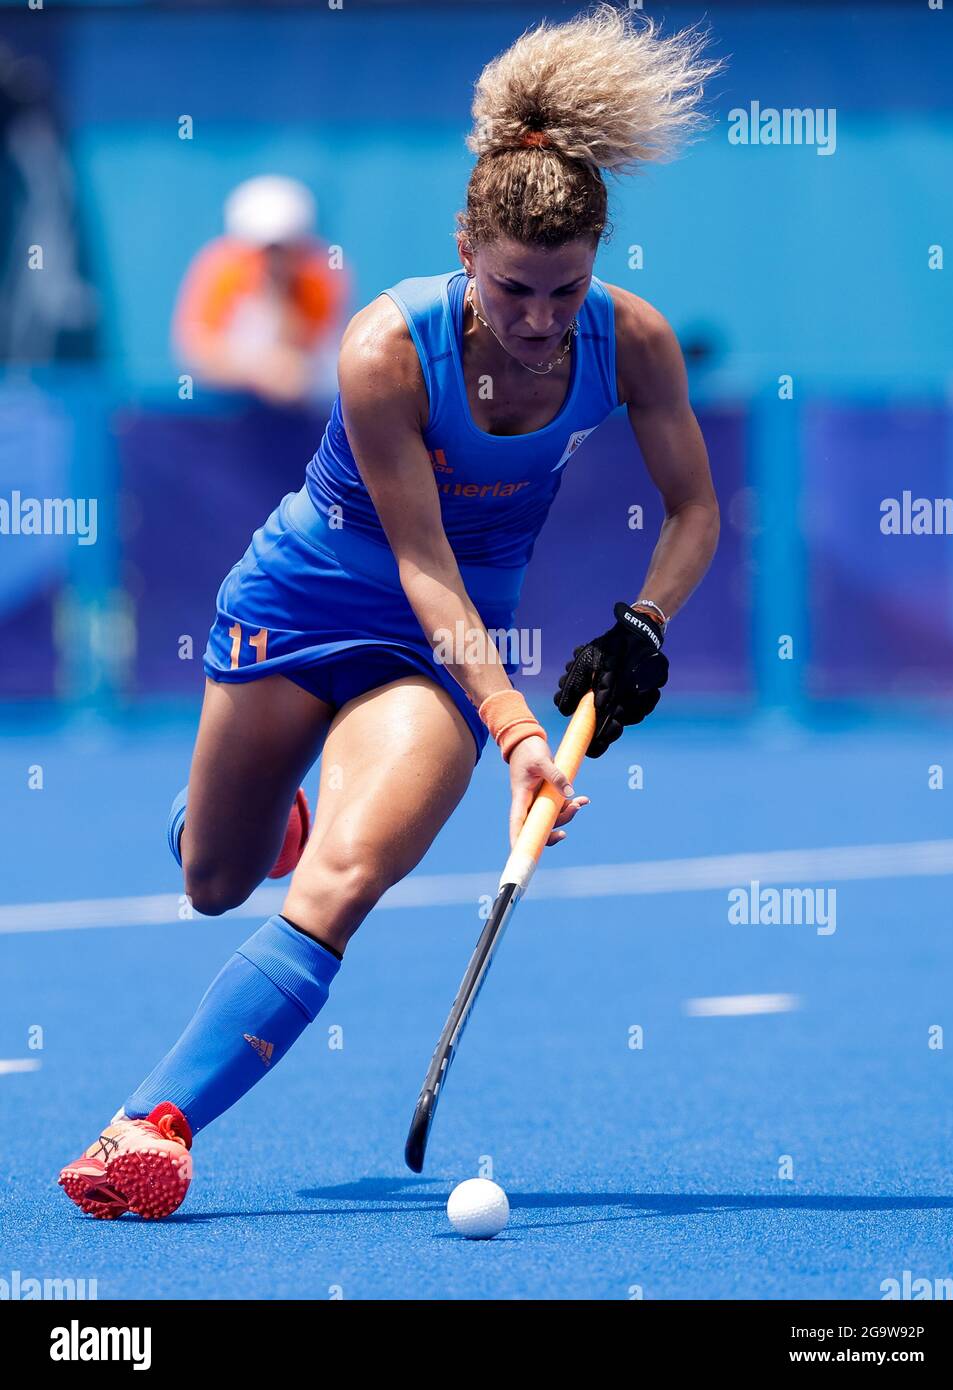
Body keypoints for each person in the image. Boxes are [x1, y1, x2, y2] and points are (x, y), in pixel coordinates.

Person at [59, 4, 721, 1220]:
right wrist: (524, 732)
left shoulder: (629, 343)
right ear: (465, 247)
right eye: (513, 289)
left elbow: (691, 515)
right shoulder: (382, 349)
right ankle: (259, 812)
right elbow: (421, 563)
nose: (537, 322)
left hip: (433, 654)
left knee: (345, 878)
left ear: (597, 261)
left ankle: (150, 1127)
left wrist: (643, 623)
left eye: (562, 289)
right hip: (306, 595)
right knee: (215, 875)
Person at [172, 174, 349, 406]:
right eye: (264, 249)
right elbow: (195, 349)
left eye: (284, 248)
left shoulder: (321, 278)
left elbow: (320, 362)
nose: (273, 259)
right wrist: (259, 369)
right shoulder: (221, 269)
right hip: (228, 416)